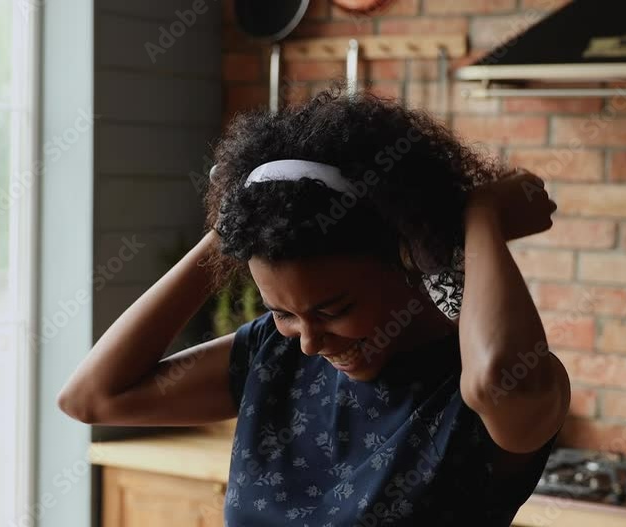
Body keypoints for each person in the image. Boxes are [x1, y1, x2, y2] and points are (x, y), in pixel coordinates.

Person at [58, 83, 570, 526]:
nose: (308, 341)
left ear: (406, 259)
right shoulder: (274, 357)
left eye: (332, 310)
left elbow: (495, 375)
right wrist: (234, 226)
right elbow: (92, 398)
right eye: (282, 312)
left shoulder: (484, 388)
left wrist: (479, 215)